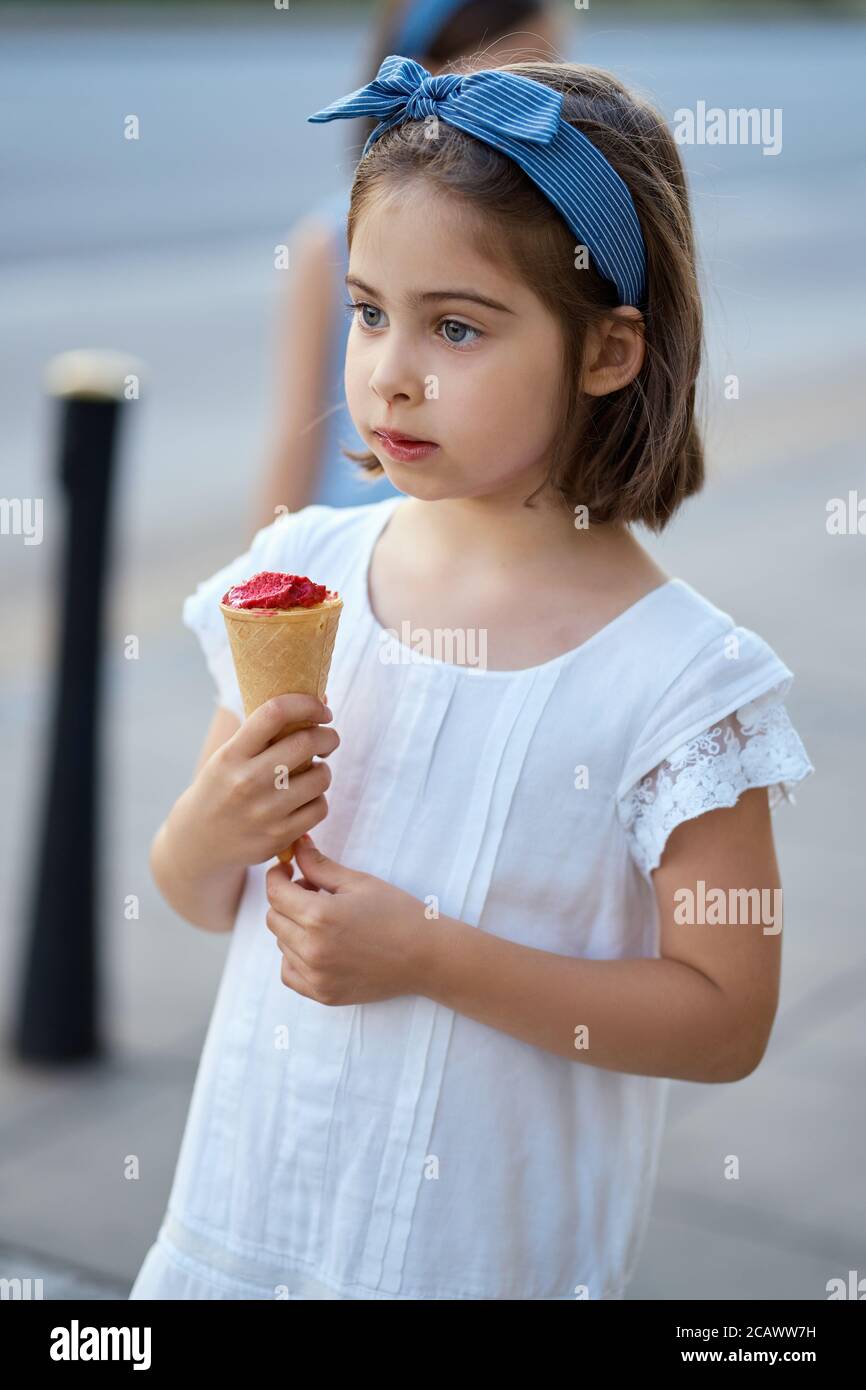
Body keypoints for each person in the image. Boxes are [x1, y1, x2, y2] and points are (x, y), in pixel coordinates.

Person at [130, 54, 815, 1301]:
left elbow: (725, 1017)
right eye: (368, 309)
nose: (391, 369)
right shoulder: (300, 575)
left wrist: (433, 956)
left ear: (607, 352)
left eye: (455, 325)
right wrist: (210, 825)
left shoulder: (681, 683)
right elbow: (190, 893)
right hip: (241, 1243)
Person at [251, 0, 563, 534]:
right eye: (368, 313)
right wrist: (262, 573)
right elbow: (297, 428)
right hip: (352, 538)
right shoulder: (331, 238)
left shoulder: (549, 242)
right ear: (427, 70)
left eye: (550, 77)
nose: (536, 103)